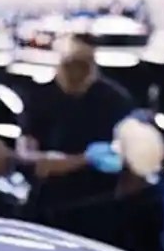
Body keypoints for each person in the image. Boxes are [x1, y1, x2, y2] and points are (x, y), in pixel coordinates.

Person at [16, 33, 135, 238]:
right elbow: (26, 150)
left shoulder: (114, 100)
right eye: (70, 62)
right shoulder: (40, 96)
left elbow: (121, 156)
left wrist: (65, 163)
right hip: (47, 206)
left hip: (98, 206)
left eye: (81, 63)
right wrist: (76, 160)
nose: (75, 71)